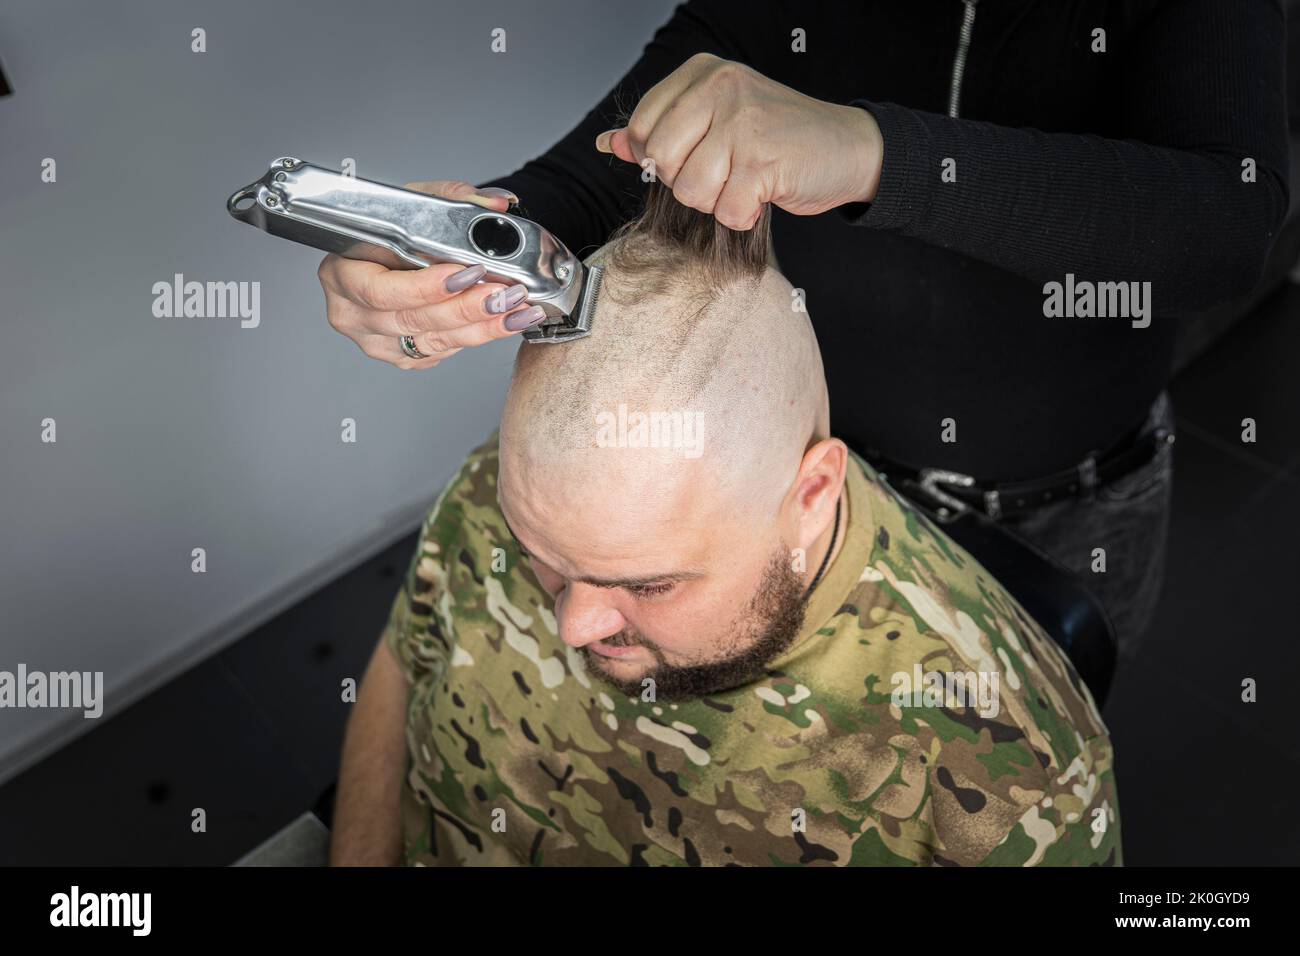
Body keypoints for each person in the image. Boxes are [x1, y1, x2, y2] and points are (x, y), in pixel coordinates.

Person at [316, 1, 1289, 660]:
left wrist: (871, 150)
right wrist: (490, 237)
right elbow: (658, 120)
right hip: (806, 481)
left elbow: (1222, 226)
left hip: (1066, 503)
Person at [329, 183, 1121, 867]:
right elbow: (405, 664)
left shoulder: (1013, 781)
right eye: (542, 557)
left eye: (648, 583)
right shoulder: (523, 494)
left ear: (811, 495)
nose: (572, 624)